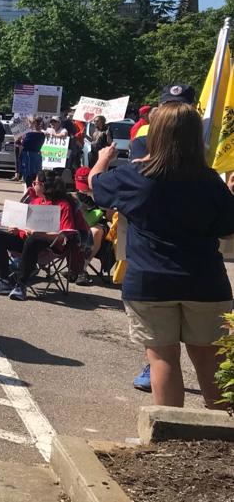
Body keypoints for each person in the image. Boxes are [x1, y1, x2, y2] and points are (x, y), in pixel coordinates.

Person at [91, 88, 234, 410]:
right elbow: (227, 228)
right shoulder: (210, 182)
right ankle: (222, 436)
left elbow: (96, 187)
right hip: (205, 281)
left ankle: (168, 431)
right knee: (210, 360)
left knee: (162, 358)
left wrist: (102, 161)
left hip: (150, 280)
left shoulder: (135, 176)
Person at [0, 169, 88, 300]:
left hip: (50, 245)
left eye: (35, 182)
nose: (33, 185)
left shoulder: (63, 205)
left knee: (34, 239)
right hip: (28, 241)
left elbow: (65, 234)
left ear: (43, 185)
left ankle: (21, 285)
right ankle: (4, 281)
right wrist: (17, 230)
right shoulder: (35, 202)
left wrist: (42, 234)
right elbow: (25, 227)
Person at [72, 166, 111, 286]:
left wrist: (99, 200)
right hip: (79, 225)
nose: (83, 190)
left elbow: (111, 216)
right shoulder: (75, 195)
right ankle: (74, 266)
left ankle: (82, 267)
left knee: (94, 232)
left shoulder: (104, 193)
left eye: (85, 185)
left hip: (99, 225)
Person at [18, 116, 46, 190]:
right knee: (36, 173)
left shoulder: (30, 134)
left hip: (29, 155)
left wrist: (20, 139)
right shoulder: (42, 135)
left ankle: (30, 189)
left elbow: (23, 144)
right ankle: (34, 189)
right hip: (36, 155)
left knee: (28, 174)